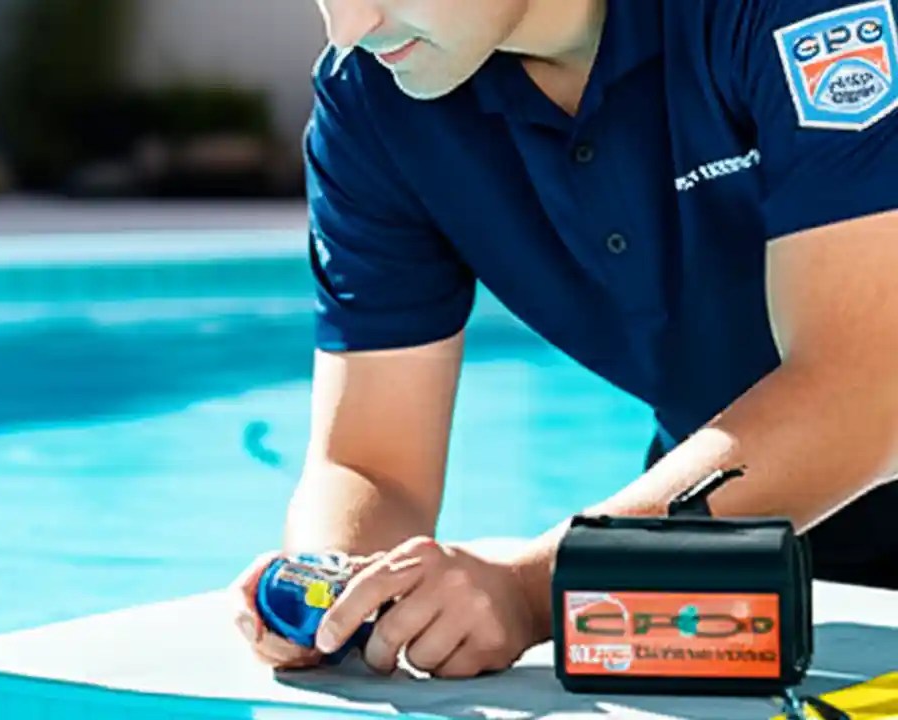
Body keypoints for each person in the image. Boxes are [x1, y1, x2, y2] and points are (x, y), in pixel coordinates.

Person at [231, 0, 898, 680]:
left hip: (707, 528)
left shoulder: (797, 13)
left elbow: (863, 393)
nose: (347, 28)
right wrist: (336, 593)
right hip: (712, 548)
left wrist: (536, 587)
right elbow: (372, 465)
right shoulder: (372, 101)